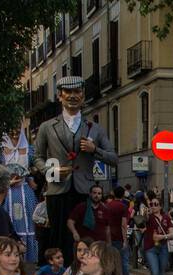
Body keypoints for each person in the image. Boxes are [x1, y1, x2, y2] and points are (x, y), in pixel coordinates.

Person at [32, 76, 118, 254]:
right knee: (58, 240)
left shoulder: (95, 128)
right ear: (60, 96)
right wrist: (51, 170)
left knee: (86, 239)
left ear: (83, 95)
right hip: (57, 191)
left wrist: (95, 150)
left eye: (77, 91)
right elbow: (37, 157)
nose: (73, 95)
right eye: (68, 92)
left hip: (85, 192)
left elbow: (113, 158)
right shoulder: (47, 127)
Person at [141, 194, 173, 275]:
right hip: (151, 248)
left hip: (163, 247)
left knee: (160, 274)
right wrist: (146, 211)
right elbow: (143, 218)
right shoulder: (149, 217)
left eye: (156, 204)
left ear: (160, 207)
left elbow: (172, 233)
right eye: (151, 204)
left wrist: (162, 237)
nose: (153, 206)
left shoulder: (166, 217)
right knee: (154, 272)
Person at [105, 185, 136, 275]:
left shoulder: (107, 206)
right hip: (119, 237)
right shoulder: (123, 206)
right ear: (123, 194)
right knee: (123, 262)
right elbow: (123, 224)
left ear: (113, 194)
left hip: (109, 237)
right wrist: (125, 240)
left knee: (110, 262)